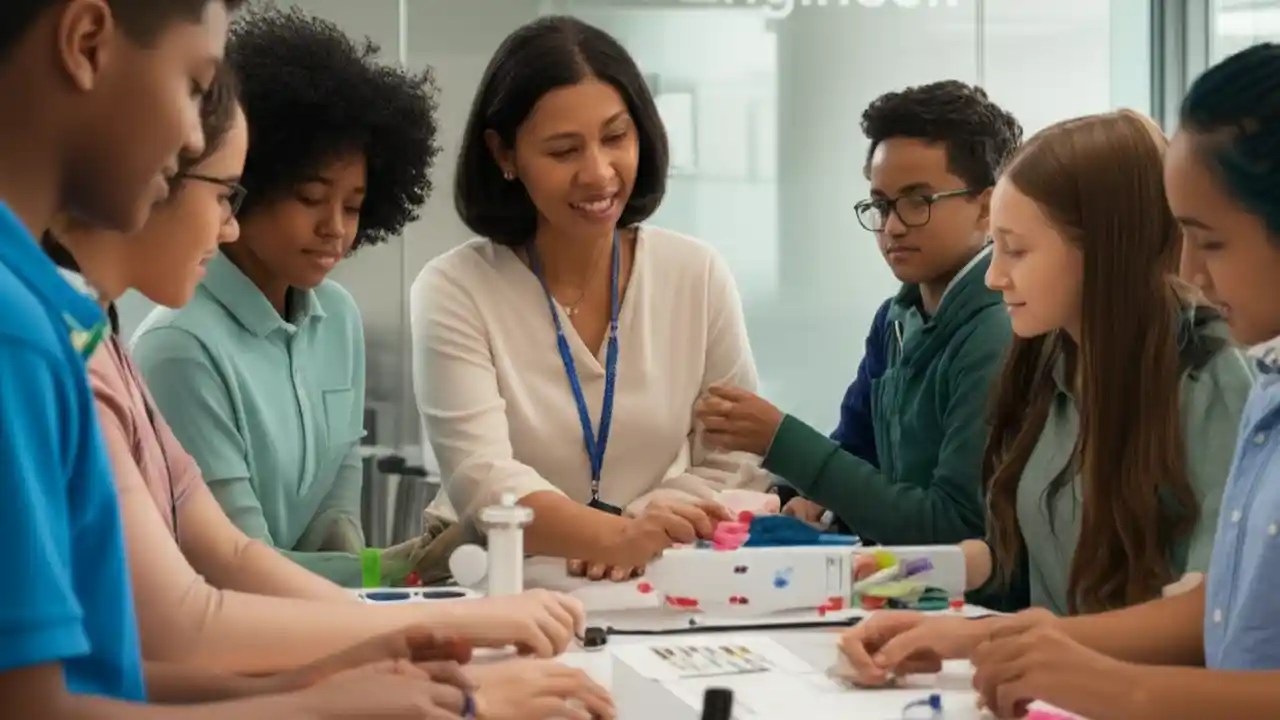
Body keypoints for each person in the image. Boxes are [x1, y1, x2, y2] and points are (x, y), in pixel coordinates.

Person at [47, 61, 612, 720]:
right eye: (226, 193)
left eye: (351, 205)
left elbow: (216, 570)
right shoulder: (72, 348)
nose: (229, 226)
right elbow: (184, 619)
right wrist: (421, 666)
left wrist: (413, 644)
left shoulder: (96, 338)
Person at [0, 1, 469, 717]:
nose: (194, 133)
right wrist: (385, 656)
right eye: (194, 85)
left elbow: (122, 665)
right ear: (86, 43)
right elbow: (175, 627)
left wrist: (382, 652)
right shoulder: (42, 335)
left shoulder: (75, 331)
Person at [836, 101, 1267, 719]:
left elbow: (1213, 611)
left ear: (1103, 252)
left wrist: (1001, 641)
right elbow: (1017, 555)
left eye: (1015, 250)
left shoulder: (1214, 380)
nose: (993, 278)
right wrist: (880, 577)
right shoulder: (1051, 361)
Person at [411, 15, 766, 583]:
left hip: (646, 571)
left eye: (615, 137)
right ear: (505, 154)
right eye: (563, 150)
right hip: (486, 572)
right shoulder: (455, 288)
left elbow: (737, 456)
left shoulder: (695, 273)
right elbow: (484, 479)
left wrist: (645, 521)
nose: (599, 173)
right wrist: (612, 535)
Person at [131, 6, 431, 586]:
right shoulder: (180, 347)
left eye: (352, 205)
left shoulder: (338, 317)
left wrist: (373, 572)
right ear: (246, 184)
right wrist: (394, 568)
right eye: (310, 197)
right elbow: (238, 567)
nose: (335, 228)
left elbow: (333, 516)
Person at [695, 81, 1019, 548]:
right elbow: (854, 451)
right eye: (881, 204)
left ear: (987, 206)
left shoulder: (997, 330)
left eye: (917, 202)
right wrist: (802, 498)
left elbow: (951, 529)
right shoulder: (896, 318)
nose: (892, 227)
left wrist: (780, 439)